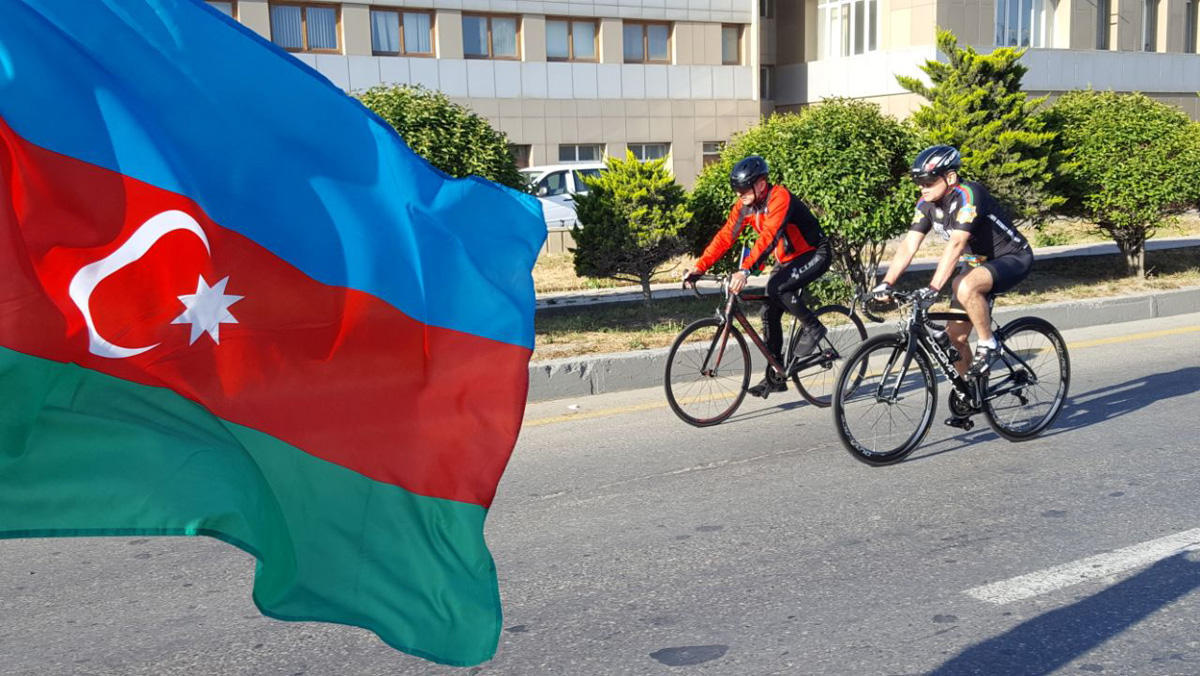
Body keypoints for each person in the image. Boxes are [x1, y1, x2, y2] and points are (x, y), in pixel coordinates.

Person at [872, 144, 1034, 427]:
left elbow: (957, 244)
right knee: (955, 340)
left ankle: (989, 344)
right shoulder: (926, 205)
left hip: (1011, 257)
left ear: (950, 177)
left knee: (964, 284)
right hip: (976, 263)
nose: (922, 188)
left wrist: (934, 288)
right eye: (919, 182)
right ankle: (971, 396)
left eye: (928, 182)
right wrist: (886, 283)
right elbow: (909, 245)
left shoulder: (969, 195)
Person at [682, 155, 831, 399]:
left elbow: (769, 236)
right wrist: (699, 268)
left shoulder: (780, 197)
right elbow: (725, 237)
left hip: (815, 253)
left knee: (778, 289)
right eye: (736, 189)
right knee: (768, 311)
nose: (739, 194)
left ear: (761, 184)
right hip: (788, 260)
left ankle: (814, 328)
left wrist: (745, 270)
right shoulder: (745, 207)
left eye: (743, 189)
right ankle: (776, 376)